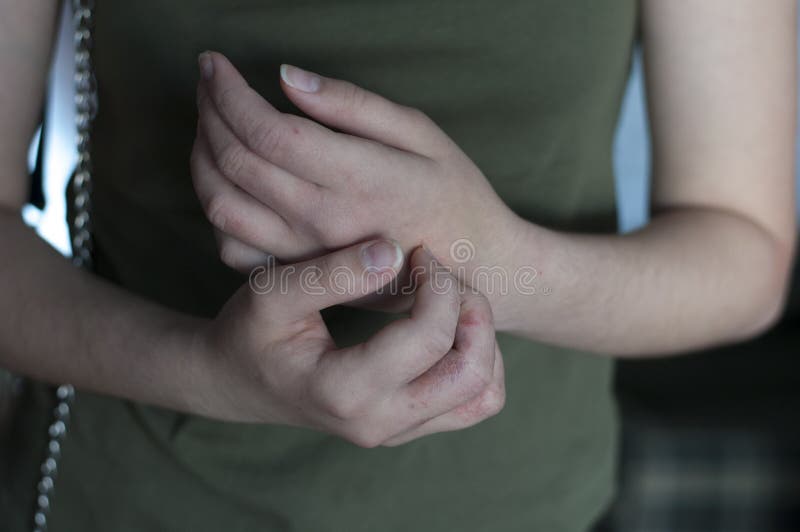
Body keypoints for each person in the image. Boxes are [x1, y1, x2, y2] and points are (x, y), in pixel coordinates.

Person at [0, 1, 796, 531]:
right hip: (128, 496)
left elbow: (744, 251)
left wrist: (493, 266)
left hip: (516, 509)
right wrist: (208, 371)